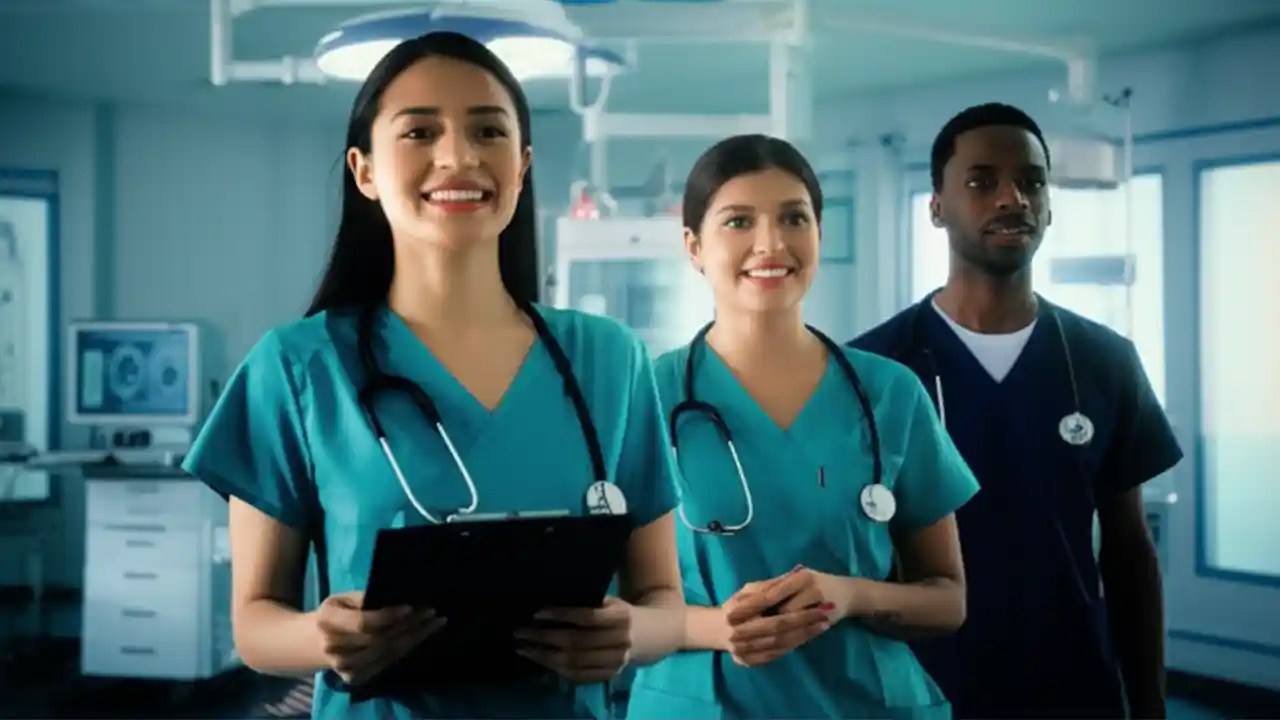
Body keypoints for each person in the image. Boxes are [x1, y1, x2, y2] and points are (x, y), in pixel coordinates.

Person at [181, 31, 686, 720]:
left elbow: (663, 602)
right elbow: (255, 626)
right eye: (420, 131)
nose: (458, 157)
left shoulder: (609, 359)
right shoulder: (297, 366)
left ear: (521, 167)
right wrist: (323, 637)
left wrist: (630, 635)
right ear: (364, 171)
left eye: (489, 131)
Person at [626, 134, 980, 719]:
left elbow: (947, 601)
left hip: (866, 705)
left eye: (794, 218)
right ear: (694, 247)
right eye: (738, 221)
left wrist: (849, 595)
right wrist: (716, 628)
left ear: (819, 233)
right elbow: (611, 616)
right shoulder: (644, 398)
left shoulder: (890, 393)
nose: (771, 243)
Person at [852, 102, 1182, 719]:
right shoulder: (873, 369)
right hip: (920, 690)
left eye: (1031, 182)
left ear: (1050, 205)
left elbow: (1129, 551)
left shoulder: (1104, 361)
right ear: (936, 207)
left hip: (1073, 686)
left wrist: (1149, 704)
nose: (1013, 198)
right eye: (982, 182)